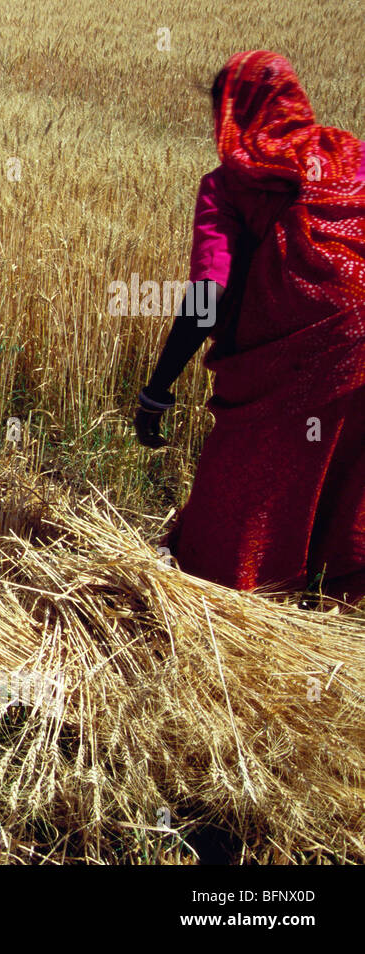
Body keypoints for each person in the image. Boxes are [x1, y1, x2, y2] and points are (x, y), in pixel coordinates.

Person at [135, 50, 365, 603]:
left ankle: (234, 603)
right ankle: (330, 603)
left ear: (231, 112)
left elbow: (208, 297)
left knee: (245, 484)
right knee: (343, 470)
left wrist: (159, 388)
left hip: (292, 357)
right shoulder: (348, 155)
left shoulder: (231, 183)